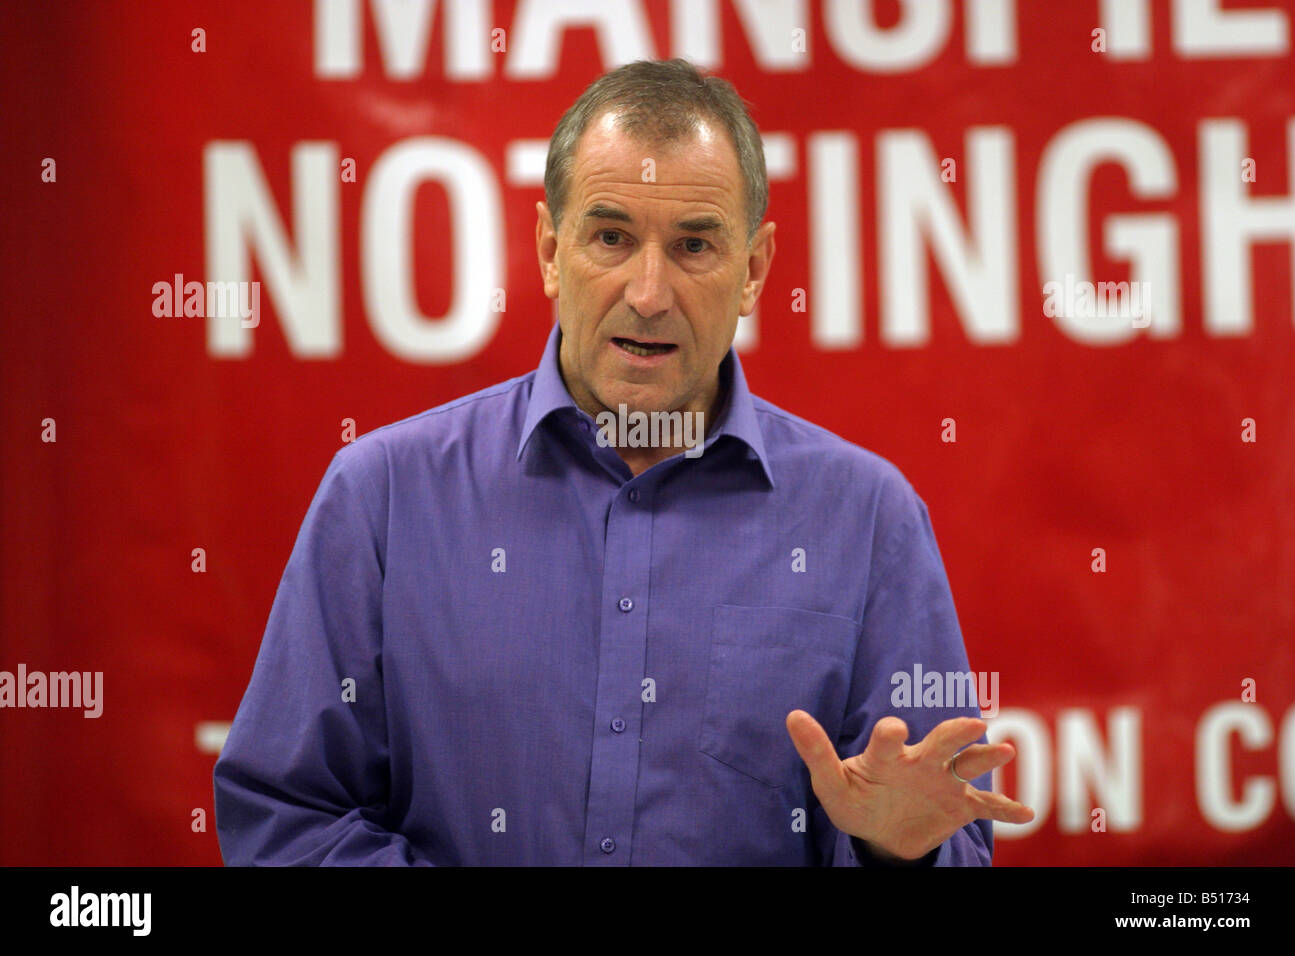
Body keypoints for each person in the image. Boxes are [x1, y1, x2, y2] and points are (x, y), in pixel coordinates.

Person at [213, 58, 1033, 866]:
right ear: (547, 249)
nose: (647, 291)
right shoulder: (383, 497)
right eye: (610, 237)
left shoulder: (867, 517)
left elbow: (948, 841)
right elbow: (285, 816)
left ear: (752, 271)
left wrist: (892, 852)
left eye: (694, 246)